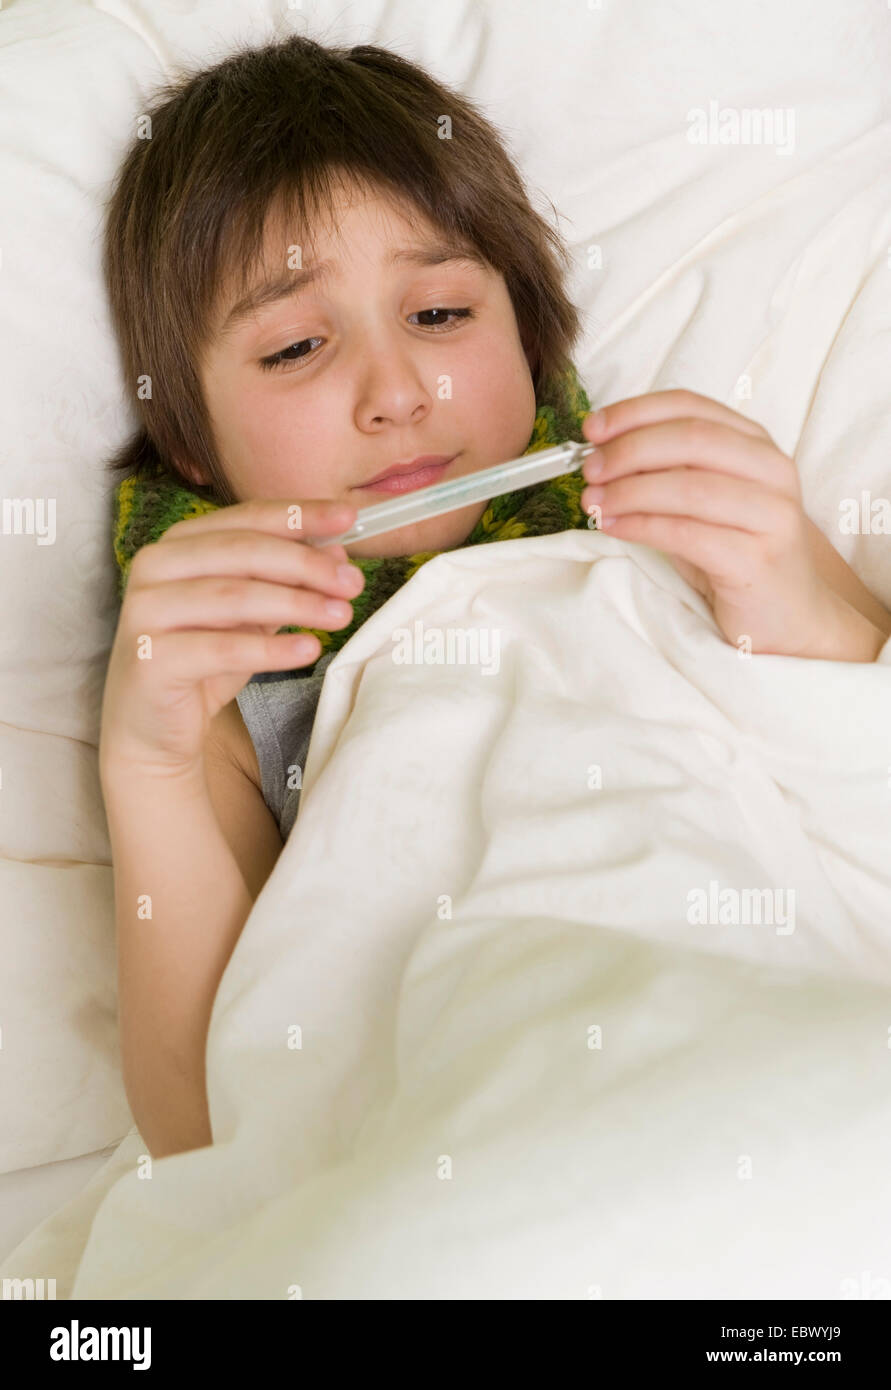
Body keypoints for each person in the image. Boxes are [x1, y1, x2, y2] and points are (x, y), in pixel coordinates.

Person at [97, 35, 890, 1160]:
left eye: (439, 316)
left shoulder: (677, 536)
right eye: (297, 346)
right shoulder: (236, 687)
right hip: (464, 1123)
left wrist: (791, 581)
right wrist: (147, 758)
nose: (399, 392)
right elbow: (200, 1127)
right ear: (187, 440)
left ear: (530, 334)